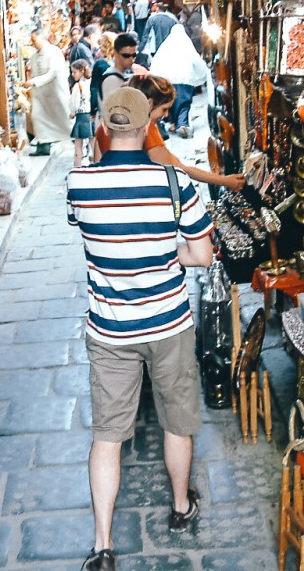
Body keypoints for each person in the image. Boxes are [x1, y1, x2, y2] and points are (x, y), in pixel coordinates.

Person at [67, 88, 215, 571]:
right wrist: (169, 254)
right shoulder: (174, 182)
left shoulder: (79, 183)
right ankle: (180, 506)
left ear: (103, 126)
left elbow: (85, 227)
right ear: (148, 124)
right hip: (169, 322)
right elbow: (202, 255)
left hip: (110, 331)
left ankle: (103, 545)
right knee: (177, 421)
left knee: (107, 436)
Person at [93, 75, 246, 193]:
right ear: (149, 104)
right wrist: (225, 181)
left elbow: (98, 168)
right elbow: (182, 169)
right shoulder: (147, 130)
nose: (166, 115)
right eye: (164, 109)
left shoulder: (104, 128)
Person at [149, 23, 209, 138]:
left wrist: (155, 77)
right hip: (186, 79)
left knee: (171, 103)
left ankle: (173, 123)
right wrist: (203, 73)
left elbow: (156, 61)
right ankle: (182, 124)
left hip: (168, 80)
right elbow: (197, 61)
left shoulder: (166, 46)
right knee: (184, 103)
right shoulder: (187, 45)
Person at [22, 29, 72, 150]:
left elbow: (52, 73)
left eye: (34, 40)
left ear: (43, 39)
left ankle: (72, 138)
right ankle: (43, 145)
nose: (33, 43)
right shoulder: (34, 56)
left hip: (55, 95)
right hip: (40, 96)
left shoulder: (54, 52)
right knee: (38, 117)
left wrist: (33, 82)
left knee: (62, 120)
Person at [98, 32, 138, 111]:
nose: (131, 59)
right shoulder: (111, 79)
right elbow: (112, 112)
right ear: (116, 53)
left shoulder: (122, 76)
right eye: (126, 56)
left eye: (134, 55)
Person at [137, 2, 178, 67]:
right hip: (168, 48)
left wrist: (140, 48)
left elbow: (145, 35)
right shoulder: (172, 20)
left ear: (158, 9)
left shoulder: (152, 19)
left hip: (155, 47)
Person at [68, 59, 93, 166]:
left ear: (82, 71)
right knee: (93, 141)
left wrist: (72, 112)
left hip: (81, 116)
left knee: (78, 143)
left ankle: (77, 164)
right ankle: (96, 161)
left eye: (74, 72)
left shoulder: (78, 86)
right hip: (91, 114)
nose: (73, 74)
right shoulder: (91, 82)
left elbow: (74, 103)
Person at [90, 31, 117, 122]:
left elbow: (94, 88)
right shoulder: (121, 63)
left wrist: (93, 110)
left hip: (104, 106)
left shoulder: (100, 64)